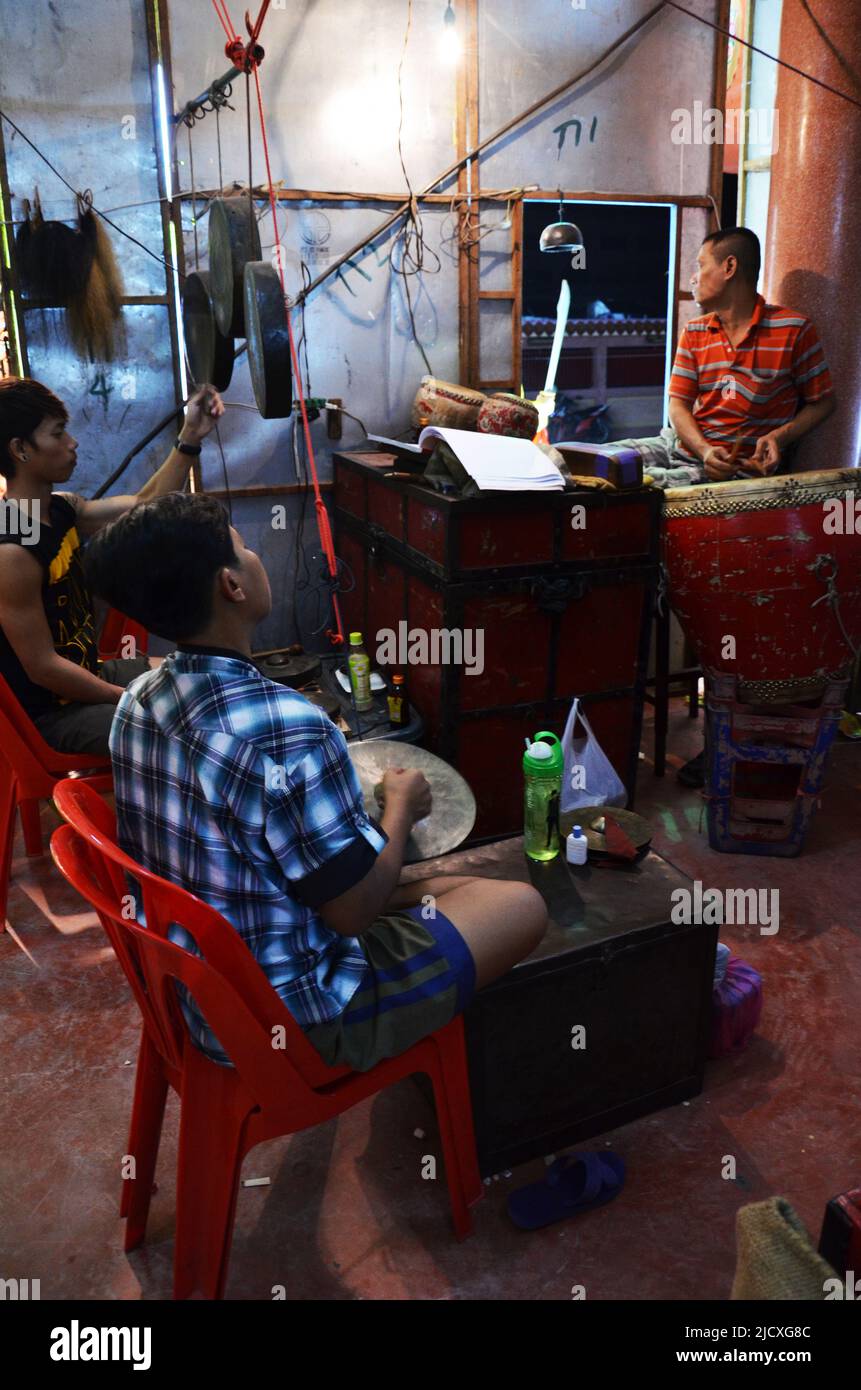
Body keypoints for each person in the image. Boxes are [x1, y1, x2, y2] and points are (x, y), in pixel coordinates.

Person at [84, 493, 547, 1072]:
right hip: (296, 1019)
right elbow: (350, 917)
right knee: (522, 904)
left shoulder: (137, 700)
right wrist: (399, 810)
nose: (254, 555)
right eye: (244, 547)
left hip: (195, 996)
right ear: (233, 586)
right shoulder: (290, 727)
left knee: (438, 886)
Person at [0, 377, 224, 756]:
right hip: (53, 715)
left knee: (200, 673)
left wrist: (190, 436)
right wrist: (128, 697)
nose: (73, 443)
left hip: (87, 676)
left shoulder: (61, 509)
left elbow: (145, 503)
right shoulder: (12, 552)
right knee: (189, 731)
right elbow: (43, 667)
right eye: (58, 433)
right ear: (21, 449)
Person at [613, 227, 835, 491]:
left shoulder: (794, 330)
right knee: (582, 461)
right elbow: (678, 407)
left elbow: (823, 403)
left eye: (700, 265)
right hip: (677, 446)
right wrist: (704, 450)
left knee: (624, 481)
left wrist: (779, 437)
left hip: (730, 470)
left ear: (729, 267)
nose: (693, 278)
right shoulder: (695, 331)